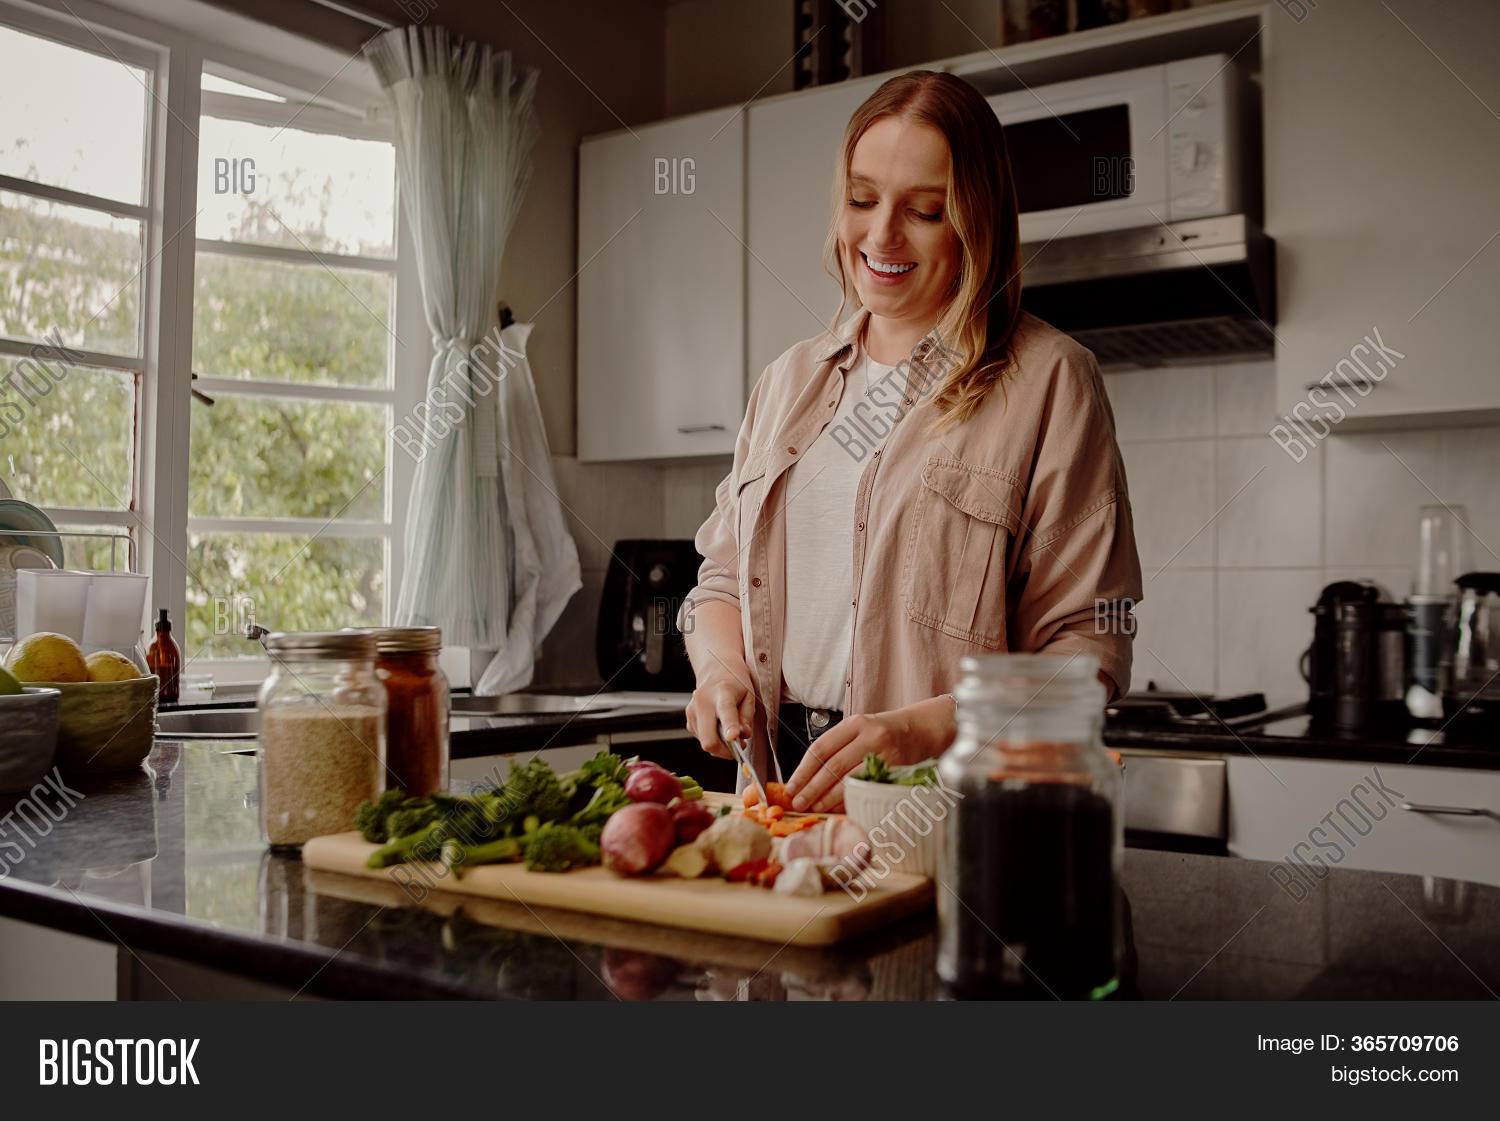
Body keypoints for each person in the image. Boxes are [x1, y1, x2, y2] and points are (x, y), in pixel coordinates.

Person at [678, 71, 1142, 813]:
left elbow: (1089, 649)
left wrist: (923, 731)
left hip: (944, 797)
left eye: (925, 211)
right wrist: (719, 669)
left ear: (976, 221)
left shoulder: (1051, 382)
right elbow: (722, 582)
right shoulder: (787, 380)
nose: (883, 235)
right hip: (780, 787)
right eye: (863, 200)